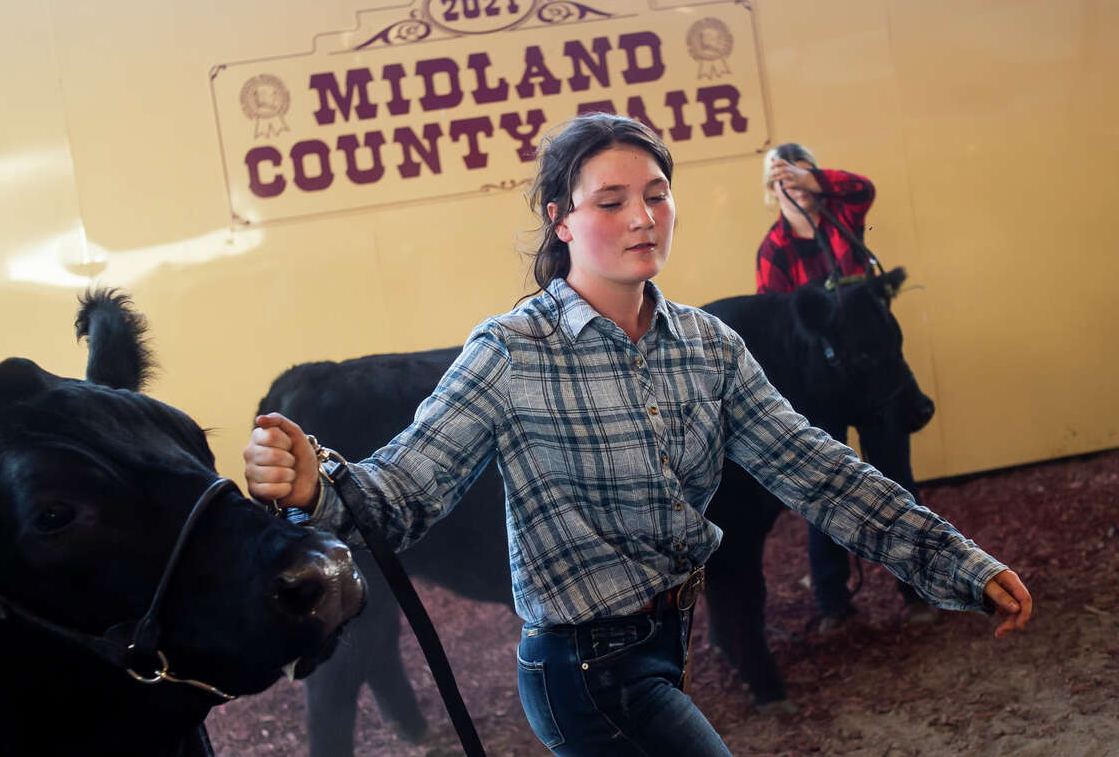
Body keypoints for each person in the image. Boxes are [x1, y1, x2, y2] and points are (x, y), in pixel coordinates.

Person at [245, 114, 1032, 757]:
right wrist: (317, 485)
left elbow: (818, 471)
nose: (643, 216)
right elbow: (404, 493)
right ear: (561, 219)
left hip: (662, 647)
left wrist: (954, 563)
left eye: (656, 194)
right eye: (611, 199)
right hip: (583, 672)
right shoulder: (512, 350)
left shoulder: (708, 346)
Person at [756, 142, 931, 631]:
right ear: (772, 193)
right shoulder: (773, 249)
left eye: (799, 177)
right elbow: (779, 322)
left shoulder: (845, 217)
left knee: (897, 480)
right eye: (781, 182)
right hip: (821, 387)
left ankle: (917, 590)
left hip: (873, 374)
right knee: (826, 489)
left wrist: (809, 178)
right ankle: (832, 601)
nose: (792, 187)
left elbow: (863, 186)